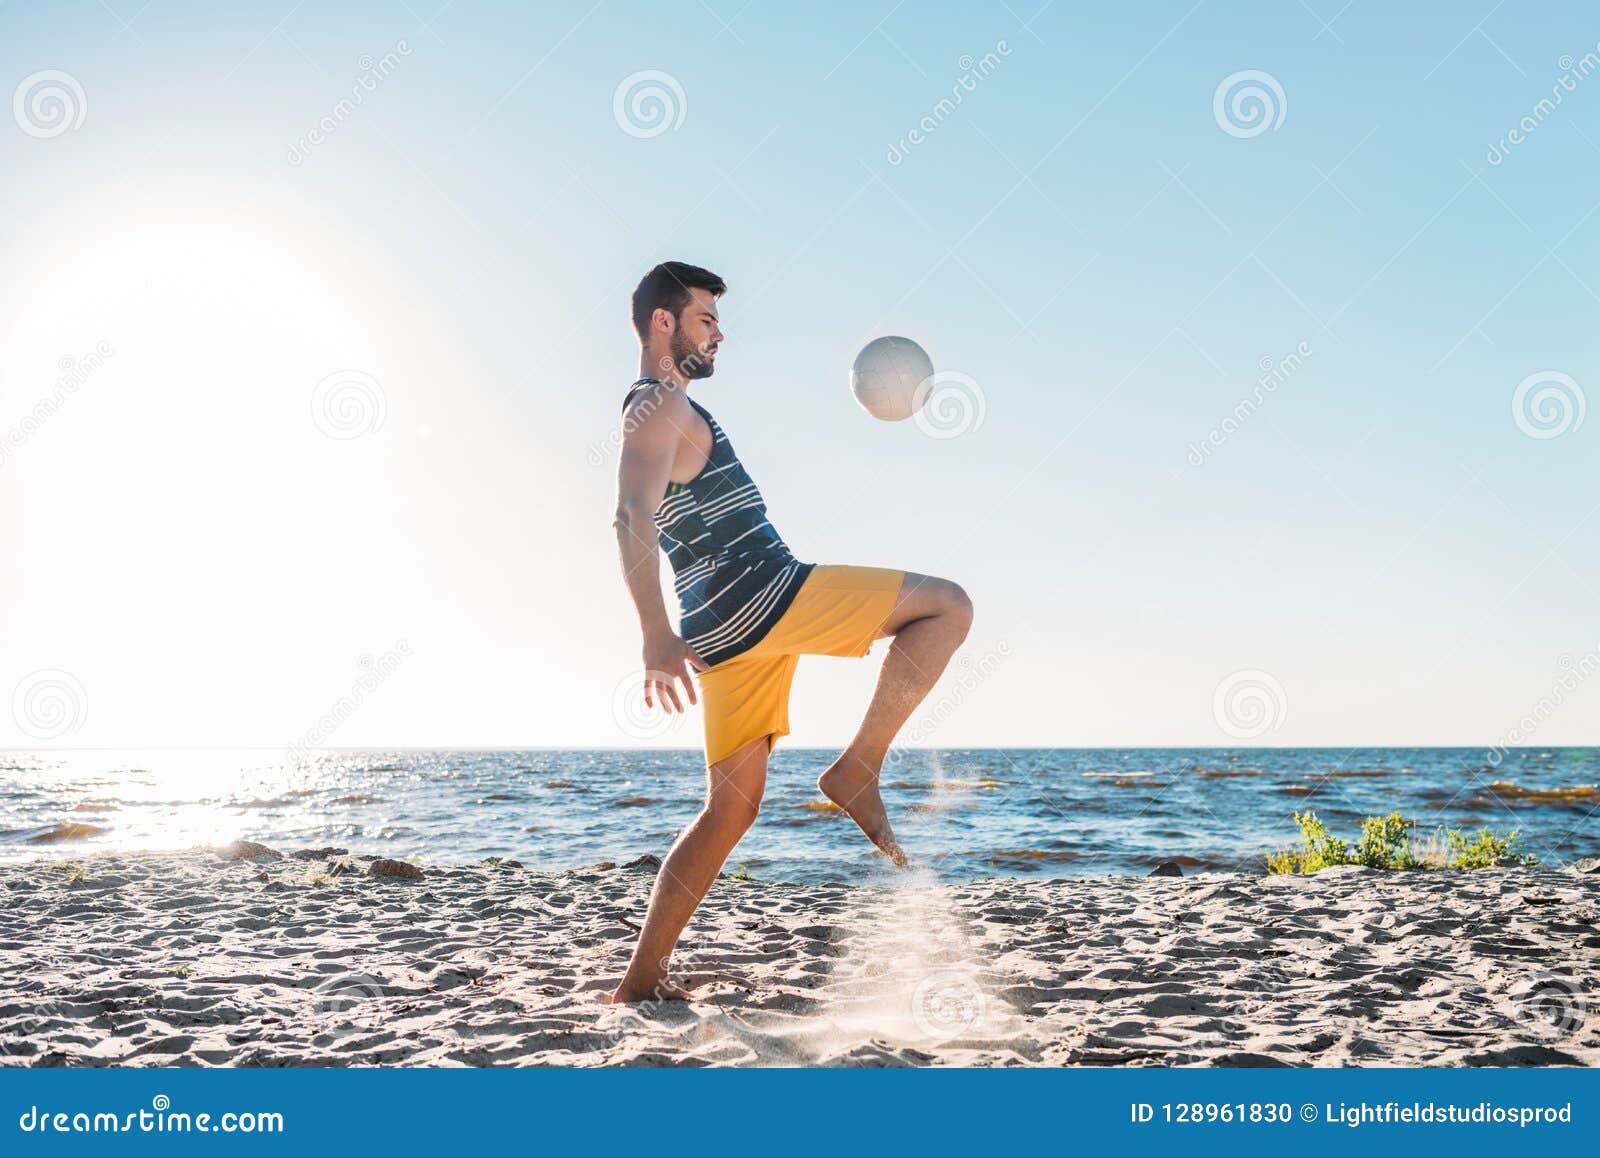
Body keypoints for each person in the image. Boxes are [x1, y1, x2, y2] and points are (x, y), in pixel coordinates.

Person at [606, 261, 973, 1004]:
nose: (718, 334)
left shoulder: (663, 408)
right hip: (766, 592)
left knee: (728, 810)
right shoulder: (657, 405)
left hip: (718, 626)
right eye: (706, 319)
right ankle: (858, 767)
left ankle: (639, 983)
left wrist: (672, 631)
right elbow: (629, 516)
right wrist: (651, 635)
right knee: (948, 607)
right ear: (663, 323)